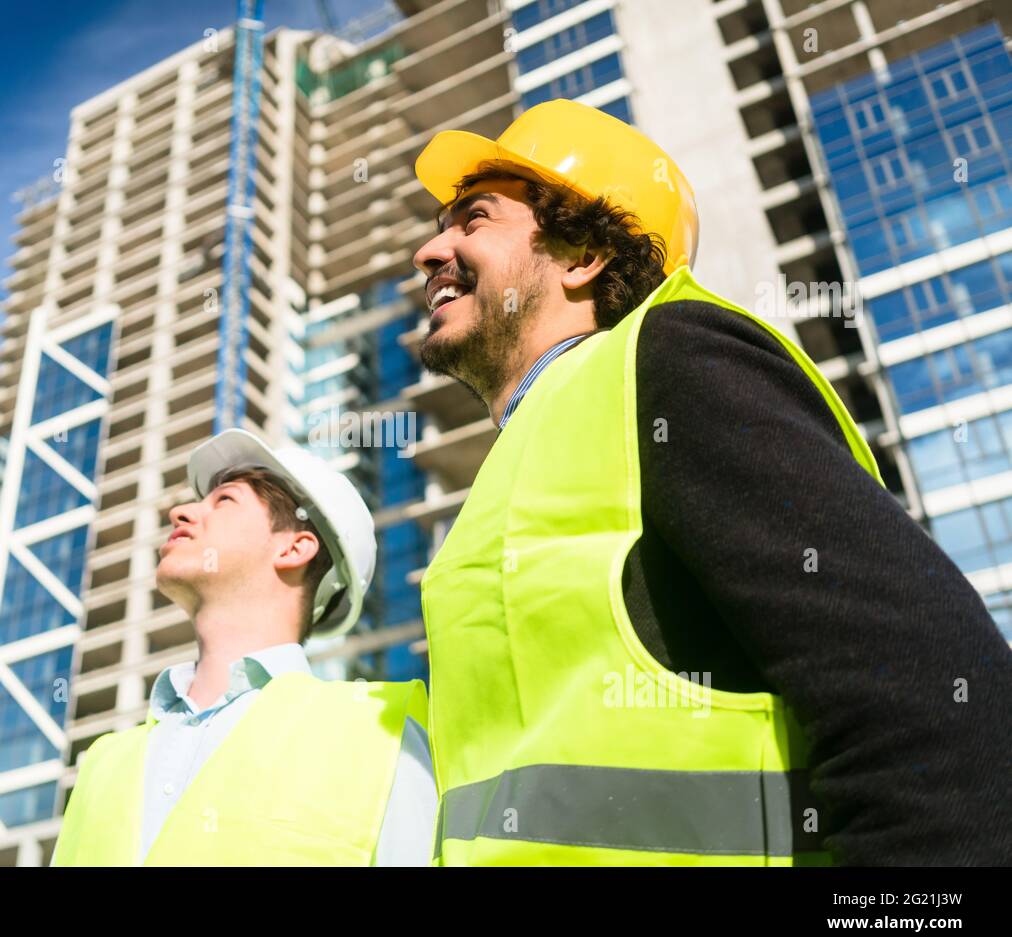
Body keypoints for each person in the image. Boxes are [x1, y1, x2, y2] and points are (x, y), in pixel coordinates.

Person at [409, 98, 1012, 865]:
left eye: (473, 219)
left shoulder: (666, 361)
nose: (431, 249)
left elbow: (945, 707)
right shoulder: (527, 455)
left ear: (583, 254)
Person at [52, 428, 435, 866]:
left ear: (294, 547)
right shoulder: (102, 764)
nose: (180, 512)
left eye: (225, 501)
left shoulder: (379, 731)